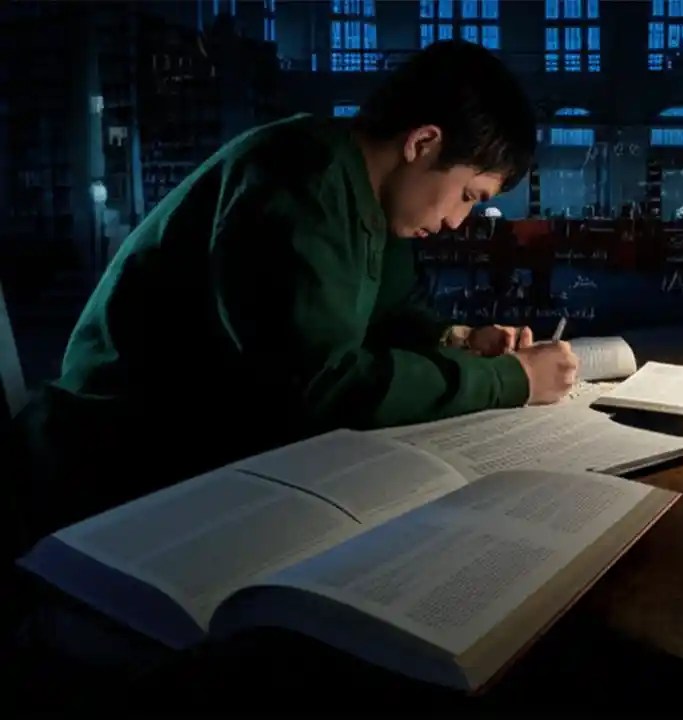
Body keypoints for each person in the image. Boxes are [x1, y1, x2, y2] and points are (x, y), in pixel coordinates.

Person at [10, 41, 578, 550]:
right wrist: (516, 380)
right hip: (113, 472)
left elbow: (393, 314)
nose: (460, 220)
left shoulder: (377, 204)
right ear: (423, 143)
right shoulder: (300, 178)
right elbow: (320, 388)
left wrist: (458, 339)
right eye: (467, 195)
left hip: (206, 455)